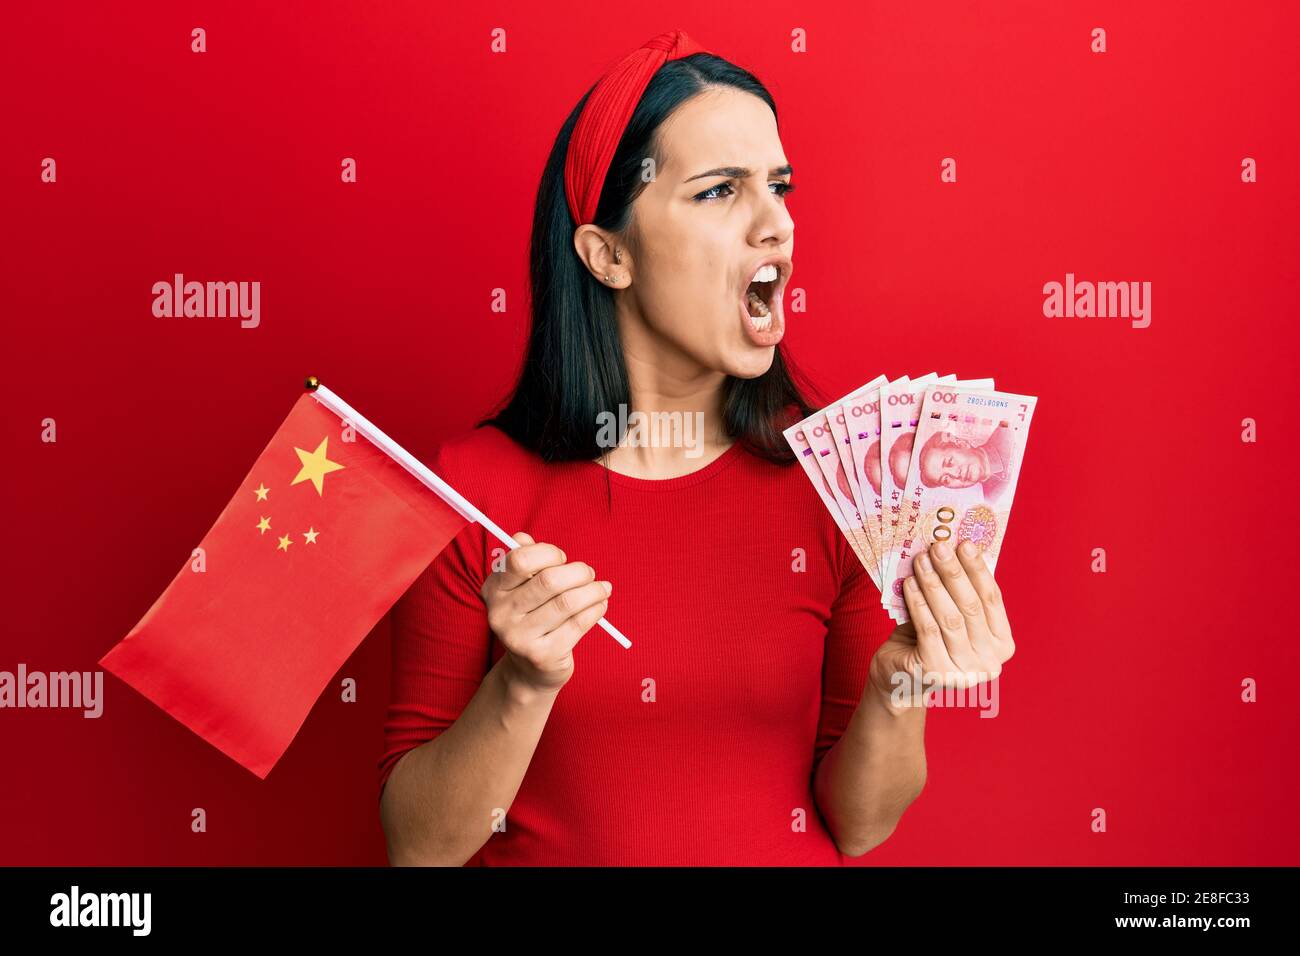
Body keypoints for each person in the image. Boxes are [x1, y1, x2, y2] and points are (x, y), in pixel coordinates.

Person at [377, 29, 1015, 866]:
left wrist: (908, 677)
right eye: (719, 192)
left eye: (779, 188)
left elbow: (861, 824)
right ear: (609, 255)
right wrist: (521, 685)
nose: (776, 225)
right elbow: (419, 851)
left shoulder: (844, 484)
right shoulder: (469, 494)